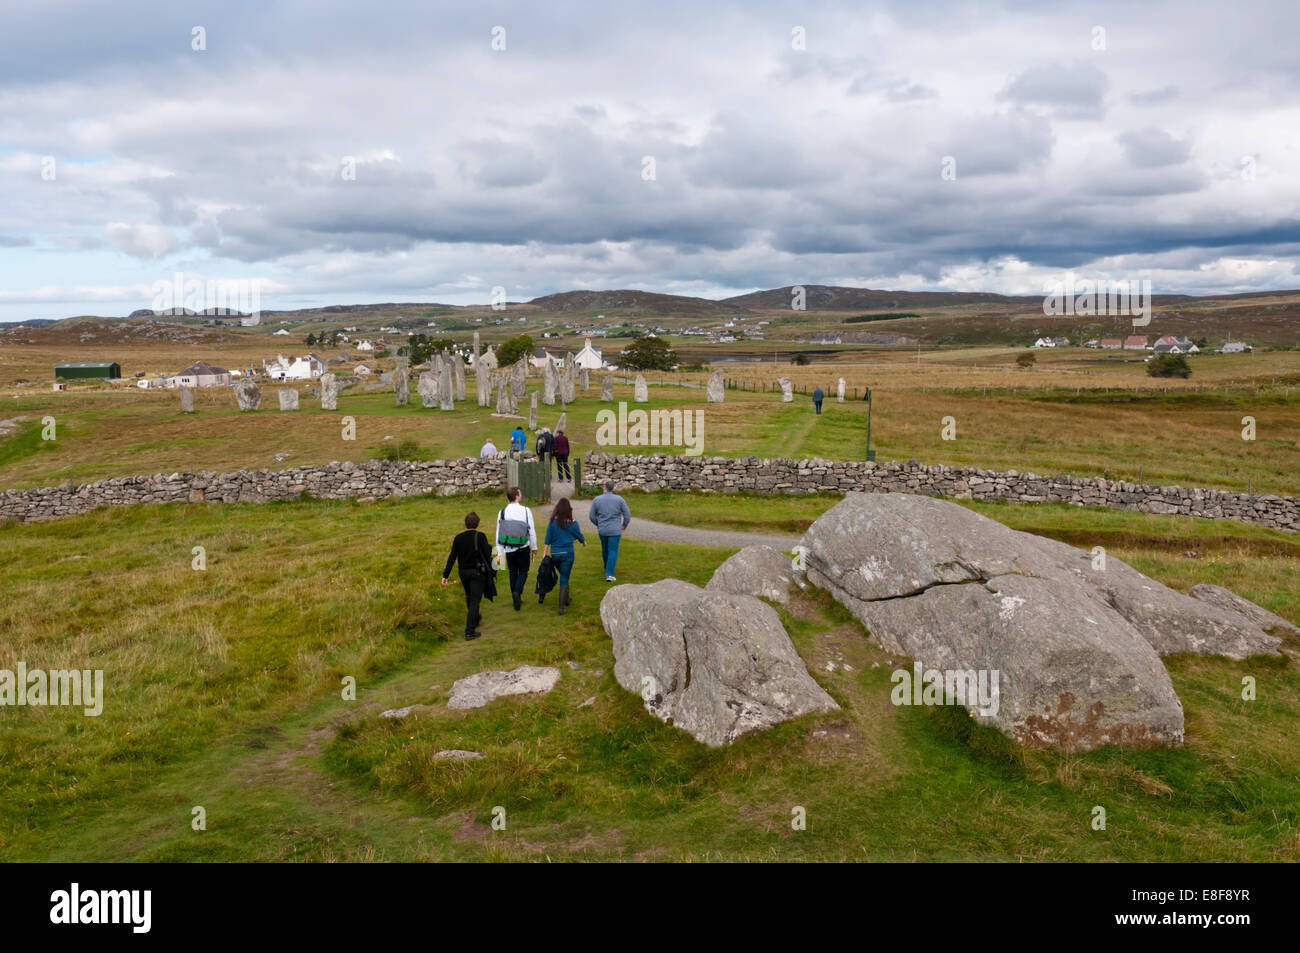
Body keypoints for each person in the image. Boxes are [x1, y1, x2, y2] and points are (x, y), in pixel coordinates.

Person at [441, 512, 494, 641]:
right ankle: (469, 631)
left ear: (466, 523)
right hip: (477, 572)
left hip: (463, 572)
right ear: (477, 523)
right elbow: (487, 553)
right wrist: (489, 547)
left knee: (469, 597)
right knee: (475, 601)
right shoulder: (480, 536)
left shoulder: (458, 538)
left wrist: (445, 575)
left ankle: (475, 618)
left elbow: (452, 557)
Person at [495, 486, 538, 611]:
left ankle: (515, 594)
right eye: (520, 493)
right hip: (523, 546)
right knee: (523, 571)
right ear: (517, 496)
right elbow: (531, 530)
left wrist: (500, 551)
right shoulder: (525, 510)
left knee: (512, 572)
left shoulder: (502, 512)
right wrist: (534, 546)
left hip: (509, 548)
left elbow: (499, 532)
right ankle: (517, 592)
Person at [543, 497, 586, 614]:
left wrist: (544, 554)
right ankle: (561, 607)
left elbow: (547, 539)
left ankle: (567, 597)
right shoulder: (572, 523)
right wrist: (583, 542)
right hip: (567, 554)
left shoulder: (552, 523)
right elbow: (578, 534)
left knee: (563, 575)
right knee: (564, 578)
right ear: (568, 509)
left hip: (555, 554)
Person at [588, 480, 631, 582]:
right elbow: (627, 515)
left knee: (605, 549)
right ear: (613, 488)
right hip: (615, 530)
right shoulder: (619, 499)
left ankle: (607, 568)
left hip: (602, 530)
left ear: (604, 488)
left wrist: (599, 524)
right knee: (613, 551)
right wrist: (624, 525)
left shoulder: (597, 499)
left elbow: (591, 516)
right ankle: (609, 574)